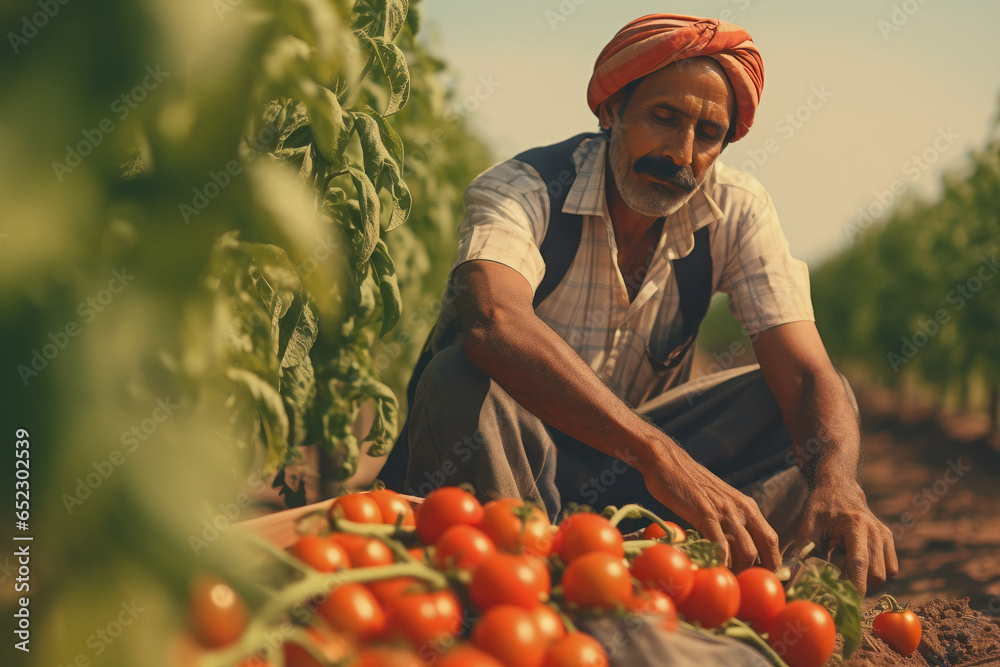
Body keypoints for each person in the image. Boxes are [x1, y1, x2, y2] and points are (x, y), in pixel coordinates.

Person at [382, 14, 897, 596]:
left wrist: (840, 482)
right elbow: (494, 320)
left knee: (808, 406)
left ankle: (701, 578)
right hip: (509, 463)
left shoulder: (737, 211)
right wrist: (658, 455)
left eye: (707, 135)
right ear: (610, 112)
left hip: (628, 485)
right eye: (663, 118)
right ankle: (517, 581)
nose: (681, 153)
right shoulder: (524, 190)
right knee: (458, 376)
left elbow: (805, 376)